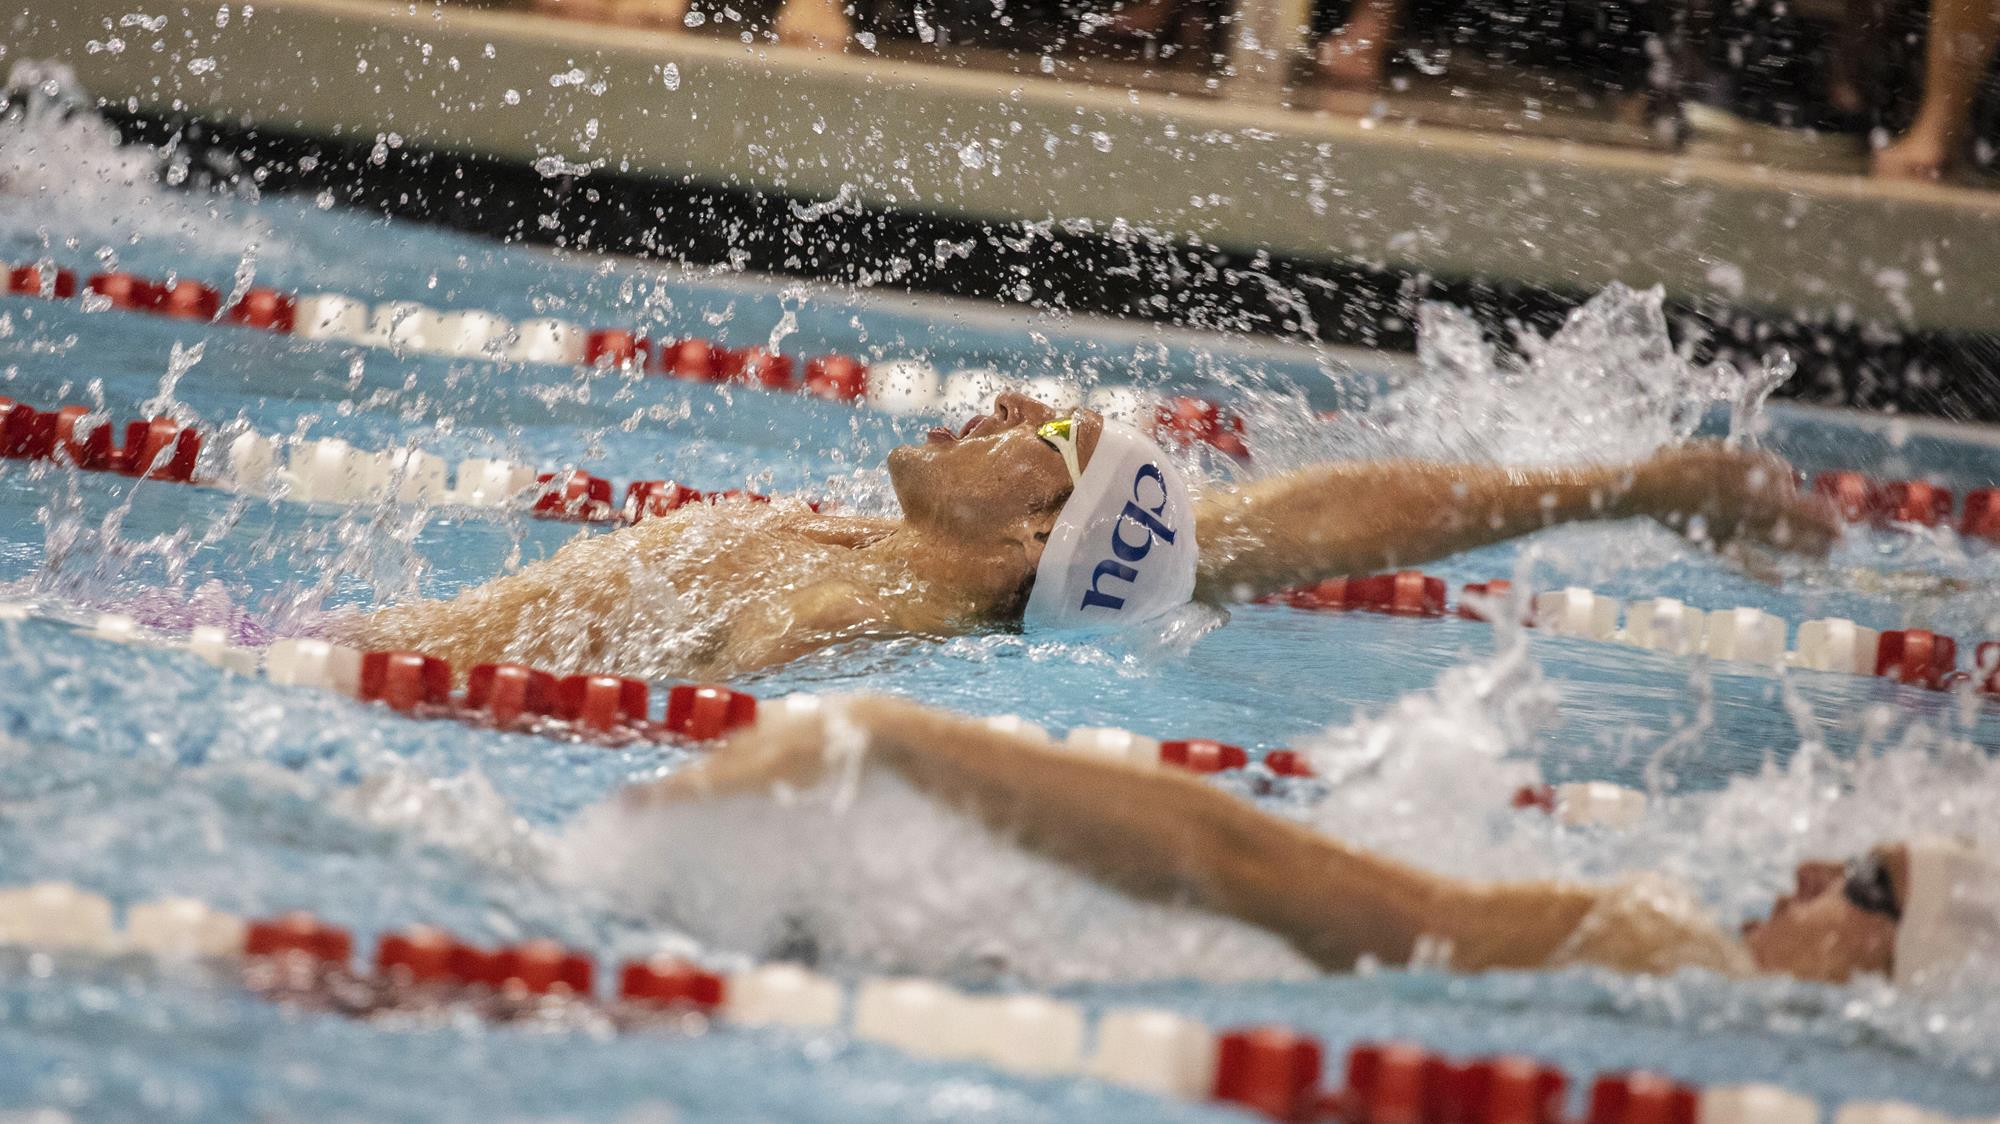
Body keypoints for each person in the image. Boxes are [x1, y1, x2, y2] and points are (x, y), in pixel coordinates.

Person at [344, 391, 1838, 683]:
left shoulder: (862, 616)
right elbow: (1292, 527)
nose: (1008, 401)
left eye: (1048, 436)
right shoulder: (884, 556)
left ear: (1029, 541)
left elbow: (753, 675)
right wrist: (1634, 477)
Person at [622, 692, 2000, 986]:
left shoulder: (1663, 952)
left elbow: (1254, 870)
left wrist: (906, 746)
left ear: (1912, 972)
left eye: (1873, 887)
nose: (1814, 870)